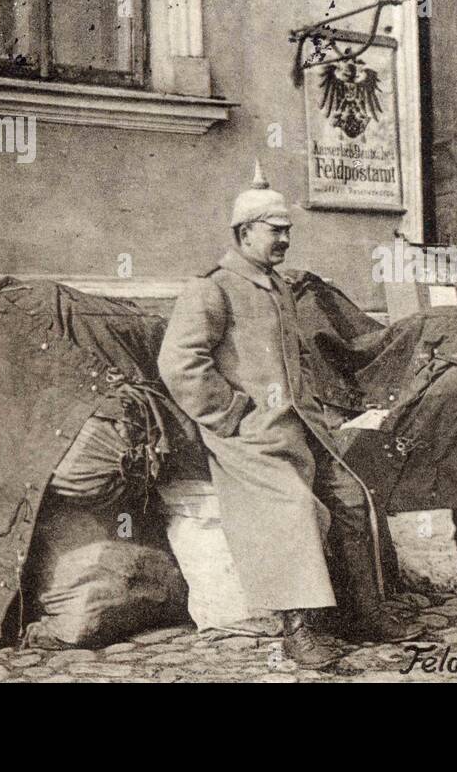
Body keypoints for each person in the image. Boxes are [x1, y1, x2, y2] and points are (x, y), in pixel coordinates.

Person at [158, 161, 422, 668]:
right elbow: (179, 364)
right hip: (247, 435)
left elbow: (294, 359)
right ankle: (298, 630)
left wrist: (319, 408)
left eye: (287, 230)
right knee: (293, 508)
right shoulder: (211, 288)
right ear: (244, 232)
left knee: (350, 496)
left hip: (299, 425)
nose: (285, 239)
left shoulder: (278, 285)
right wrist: (233, 414)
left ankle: (364, 612)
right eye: (275, 231)